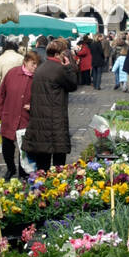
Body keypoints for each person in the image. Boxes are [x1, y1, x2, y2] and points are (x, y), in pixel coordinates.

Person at [23, 42, 78, 170]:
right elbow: (73, 84)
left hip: (40, 119)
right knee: (59, 160)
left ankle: (42, 185)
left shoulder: (40, 68)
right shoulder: (59, 69)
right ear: (58, 54)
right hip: (55, 119)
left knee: (43, 160)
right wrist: (68, 67)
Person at [0, 49, 39, 179]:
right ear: (25, 62)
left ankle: (23, 172)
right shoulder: (12, 73)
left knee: (24, 147)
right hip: (9, 115)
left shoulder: (37, 78)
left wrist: (33, 106)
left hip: (26, 118)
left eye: (37, 64)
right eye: (33, 64)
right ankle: (10, 168)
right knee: (7, 146)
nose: (35, 67)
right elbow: (1, 94)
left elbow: (42, 98)